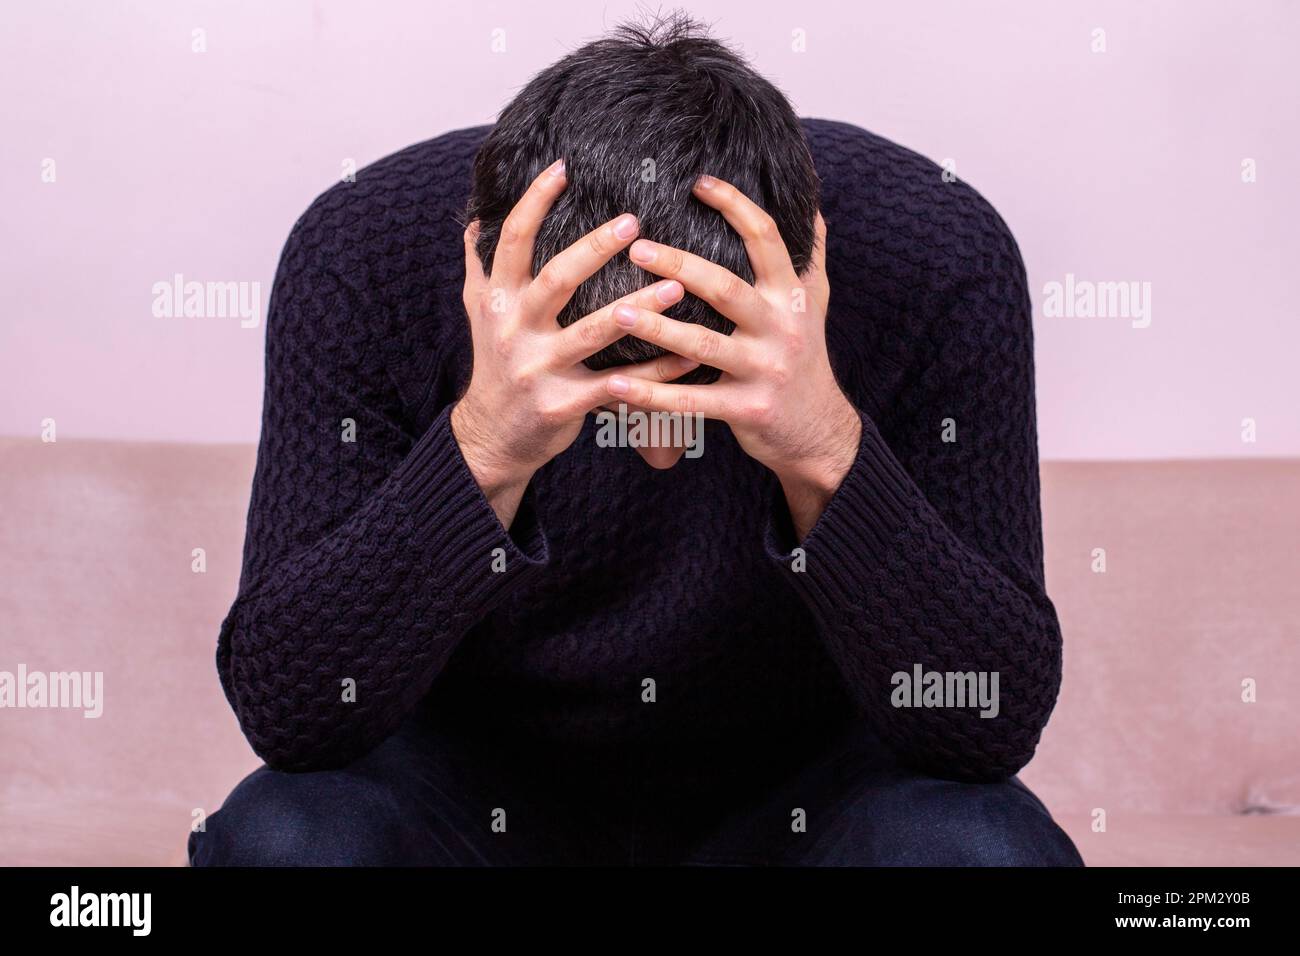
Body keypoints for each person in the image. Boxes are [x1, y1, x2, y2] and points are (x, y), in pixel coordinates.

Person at [189, 15, 1083, 866]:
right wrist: (486, 447)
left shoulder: (935, 252)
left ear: (810, 263)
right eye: (603, 406)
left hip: (810, 803)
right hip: (472, 798)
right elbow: (293, 717)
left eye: (707, 398)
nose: (660, 456)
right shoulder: (363, 251)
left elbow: (987, 724)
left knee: (980, 850)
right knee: (289, 838)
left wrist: (820, 443)